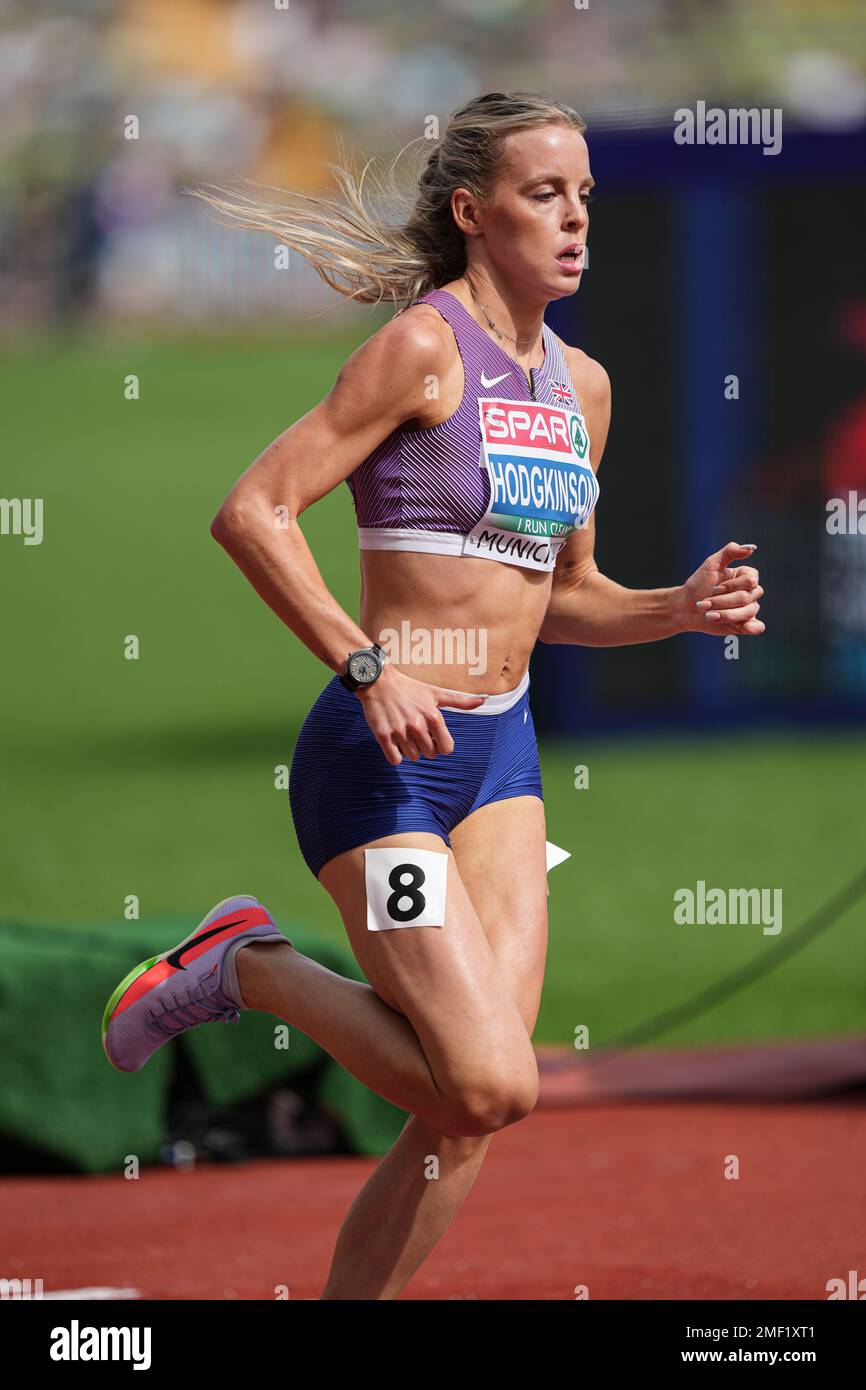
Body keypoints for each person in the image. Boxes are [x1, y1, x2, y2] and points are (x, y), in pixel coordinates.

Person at [102, 91, 765, 1299]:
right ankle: (245, 960)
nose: (573, 221)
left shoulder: (585, 387)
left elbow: (564, 596)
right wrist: (364, 661)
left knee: (466, 1116)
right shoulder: (421, 350)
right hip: (382, 760)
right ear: (471, 211)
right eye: (542, 195)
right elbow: (250, 512)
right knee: (488, 1082)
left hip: (499, 761)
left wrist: (673, 606)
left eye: (583, 198)